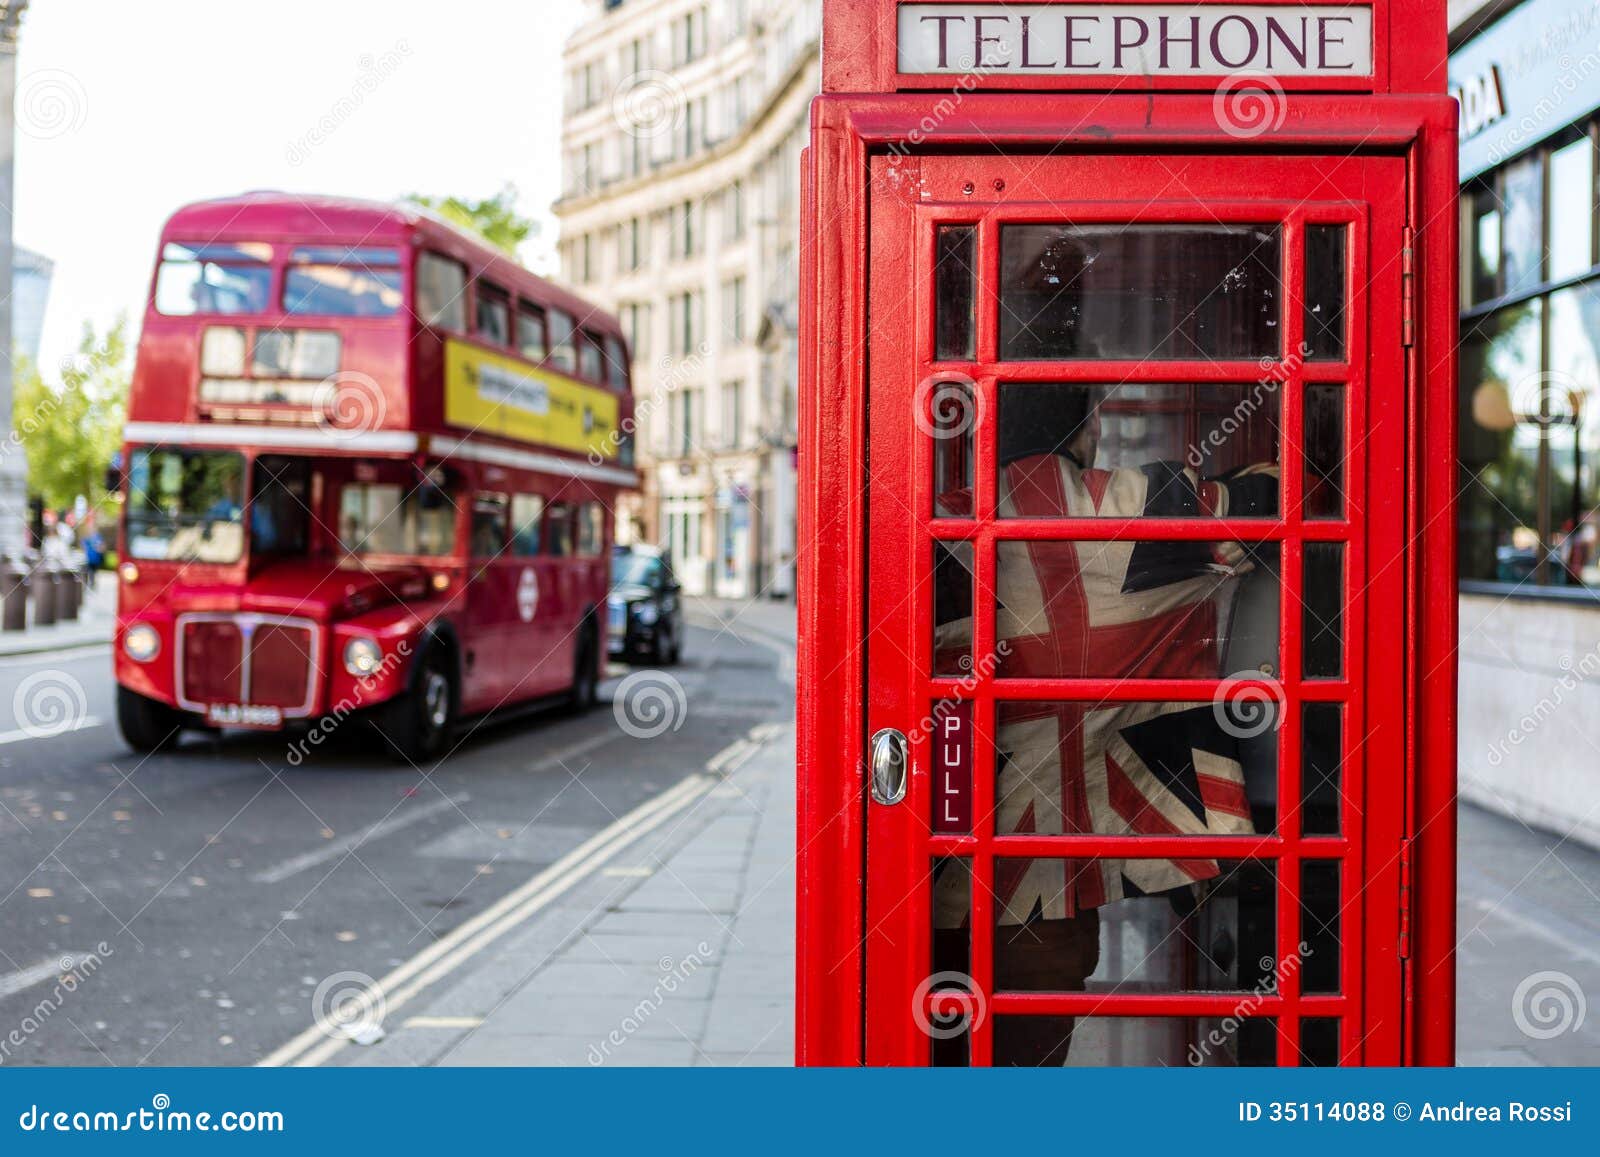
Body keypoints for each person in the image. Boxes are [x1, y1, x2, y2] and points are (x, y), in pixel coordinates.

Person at [933, 383, 1279, 1066]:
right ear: (1087, 427)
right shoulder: (1128, 505)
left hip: (939, 867)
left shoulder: (942, 521)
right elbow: (1273, 499)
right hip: (1047, 893)